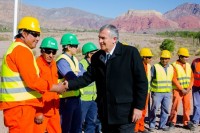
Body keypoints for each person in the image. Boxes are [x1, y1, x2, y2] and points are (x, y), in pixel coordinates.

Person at [66, 24, 148, 133]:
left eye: (103, 38)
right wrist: (68, 85)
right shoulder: (97, 57)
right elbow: (86, 78)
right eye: (99, 38)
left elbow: (142, 82)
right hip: (106, 114)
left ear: (114, 39)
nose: (100, 41)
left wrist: (138, 107)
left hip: (125, 114)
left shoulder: (130, 53)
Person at [0, 16, 66, 133]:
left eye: (38, 35)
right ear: (24, 33)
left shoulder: (17, 49)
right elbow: (33, 81)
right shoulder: (21, 50)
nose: (37, 38)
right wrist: (57, 87)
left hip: (21, 107)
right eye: (34, 34)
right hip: (21, 108)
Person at [56, 33, 85, 133]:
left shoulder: (75, 59)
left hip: (76, 98)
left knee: (77, 128)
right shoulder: (62, 61)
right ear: (67, 46)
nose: (77, 48)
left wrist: (78, 74)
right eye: (75, 46)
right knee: (65, 128)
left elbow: (84, 73)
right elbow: (72, 77)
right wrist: (78, 74)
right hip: (66, 100)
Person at [33, 37, 61, 133]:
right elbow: (34, 90)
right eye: (49, 52)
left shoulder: (53, 64)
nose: (51, 55)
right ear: (42, 51)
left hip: (54, 109)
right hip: (42, 110)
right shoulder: (36, 64)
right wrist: (38, 111)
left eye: (54, 52)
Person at [168, 47, 195, 131]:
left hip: (187, 90)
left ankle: (186, 122)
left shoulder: (188, 65)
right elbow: (174, 78)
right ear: (180, 56)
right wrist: (181, 89)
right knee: (175, 106)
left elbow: (192, 78)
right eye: (185, 57)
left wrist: (189, 88)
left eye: (187, 57)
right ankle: (172, 122)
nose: (187, 58)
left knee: (187, 106)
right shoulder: (174, 65)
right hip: (177, 90)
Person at [149, 50, 174, 132]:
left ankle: (162, 125)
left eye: (166, 59)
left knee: (166, 110)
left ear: (169, 59)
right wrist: (150, 90)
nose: (164, 60)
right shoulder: (155, 67)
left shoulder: (171, 68)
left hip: (167, 92)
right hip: (157, 92)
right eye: (163, 58)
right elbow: (150, 79)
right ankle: (152, 125)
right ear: (160, 58)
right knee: (154, 109)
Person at [80, 42, 99, 133]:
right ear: (88, 54)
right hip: (83, 99)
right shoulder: (82, 64)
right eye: (94, 53)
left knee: (92, 122)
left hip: (93, 99)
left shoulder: (96, 64)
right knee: (79, 122)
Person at [134, 48, 153, 133]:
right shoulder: (138, 65)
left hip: (146, 92)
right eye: (149, 57)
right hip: (138, 92)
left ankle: (141, 127)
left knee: (144, 111)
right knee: (137, 110)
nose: (150, 59)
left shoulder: (148, 66)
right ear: (143, 57)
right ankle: (135, 128)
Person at [191, 56, 200, 127]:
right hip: (196, 86)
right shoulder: (195, 62)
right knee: (196, 104)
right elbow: (191, 74)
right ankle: (196, 120)